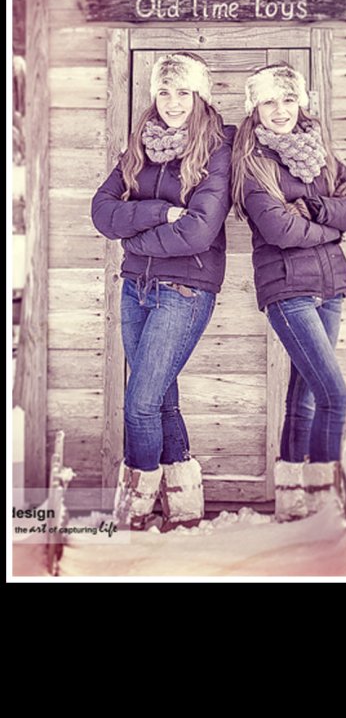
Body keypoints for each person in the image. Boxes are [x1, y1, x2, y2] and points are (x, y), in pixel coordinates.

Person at [88, 50, 233, 529]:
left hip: (186, 290)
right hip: (136, 286)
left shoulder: (217, 150)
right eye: (165, 91)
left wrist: (132, 233)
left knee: (140, 402)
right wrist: (157, 213)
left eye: (183, 92)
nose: (173, 102)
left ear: (200, 96)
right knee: (162, 399)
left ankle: (135, 507)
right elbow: (102, 211)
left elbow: (198, 232)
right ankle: (184, 506)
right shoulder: (141, 145)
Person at [233, 63, 346, 520]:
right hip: (288, 289)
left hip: (330, 286)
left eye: (288, 99)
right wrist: (330, 229)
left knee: (306, 394)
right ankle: (321, 501)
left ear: (301, 103)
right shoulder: (253, 163)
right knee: (334, 395)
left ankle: (293, 499)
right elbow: (279, 229)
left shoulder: (321, 154)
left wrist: (315, 207)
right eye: (269, 101)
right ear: (255, 109)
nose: (280, 110)